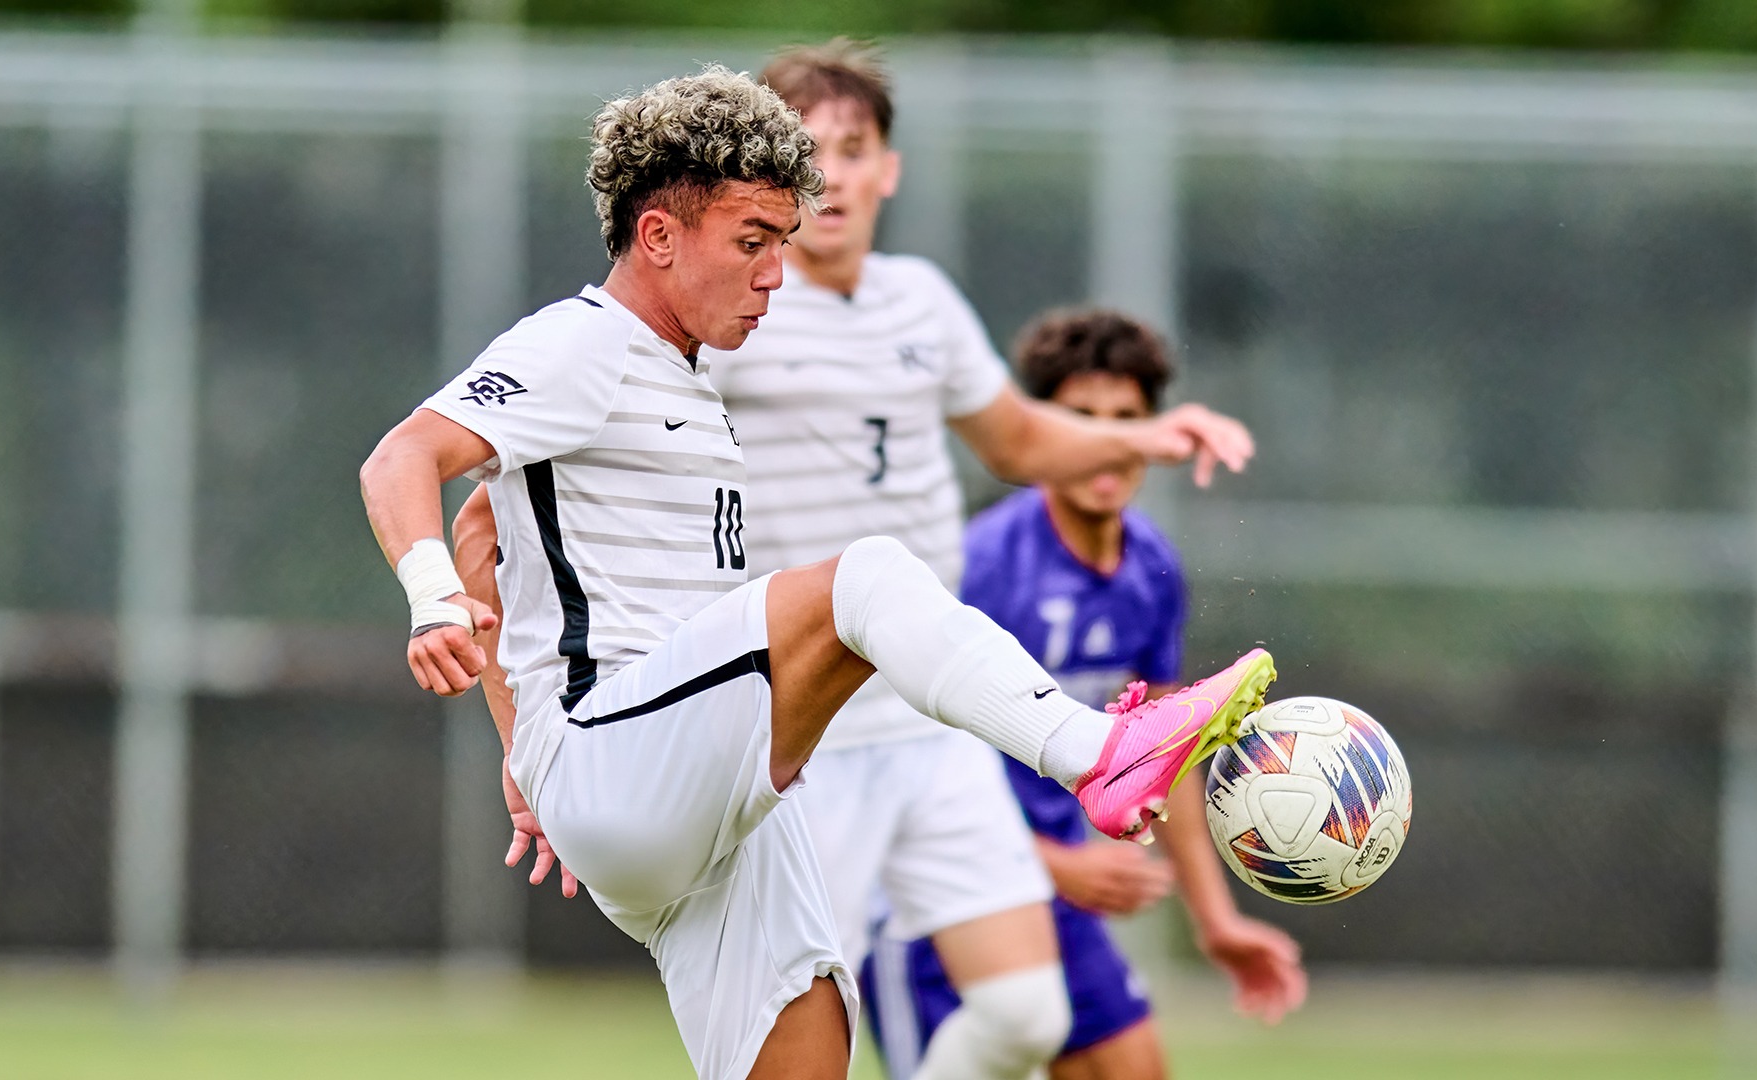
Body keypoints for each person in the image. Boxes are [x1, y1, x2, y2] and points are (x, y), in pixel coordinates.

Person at [360, 67, 1271, 1080]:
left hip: (691, 793)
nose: (774, 276)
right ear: (659, 236)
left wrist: (520, 757)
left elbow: (494, 542)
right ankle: (1099, 752)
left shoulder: (689, 376)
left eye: (783, 246)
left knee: (810, 1051)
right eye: (752, 243)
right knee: (868, 577)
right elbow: (402, 459)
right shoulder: (583, 344)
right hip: (629, 759)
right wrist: (433, 603)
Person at [862, 310, 1308, 1080]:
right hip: (939, 897)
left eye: (1126, 421)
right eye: (1080, 420)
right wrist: (1048, 865)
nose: (1106, 442)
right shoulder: (984, 566)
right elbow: (894, 755)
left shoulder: (1150, 568)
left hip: (1054, 899)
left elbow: (1174, 753)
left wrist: (1216, 921)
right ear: (1041, 431)